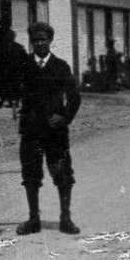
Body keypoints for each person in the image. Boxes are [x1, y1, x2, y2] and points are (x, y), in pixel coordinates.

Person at [16, 21, 82, 236]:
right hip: (31, 131)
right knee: (30, 175)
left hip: (55, 132)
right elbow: (12, 89)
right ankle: (33, 220)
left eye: (43, 39)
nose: (40, 43)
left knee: (63, 173)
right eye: (35, 40)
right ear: (31, 42)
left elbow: (74, 97)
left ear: (50, 40)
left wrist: (64, 117)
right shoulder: (24, 66)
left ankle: (65, 219)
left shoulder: (61, 66)